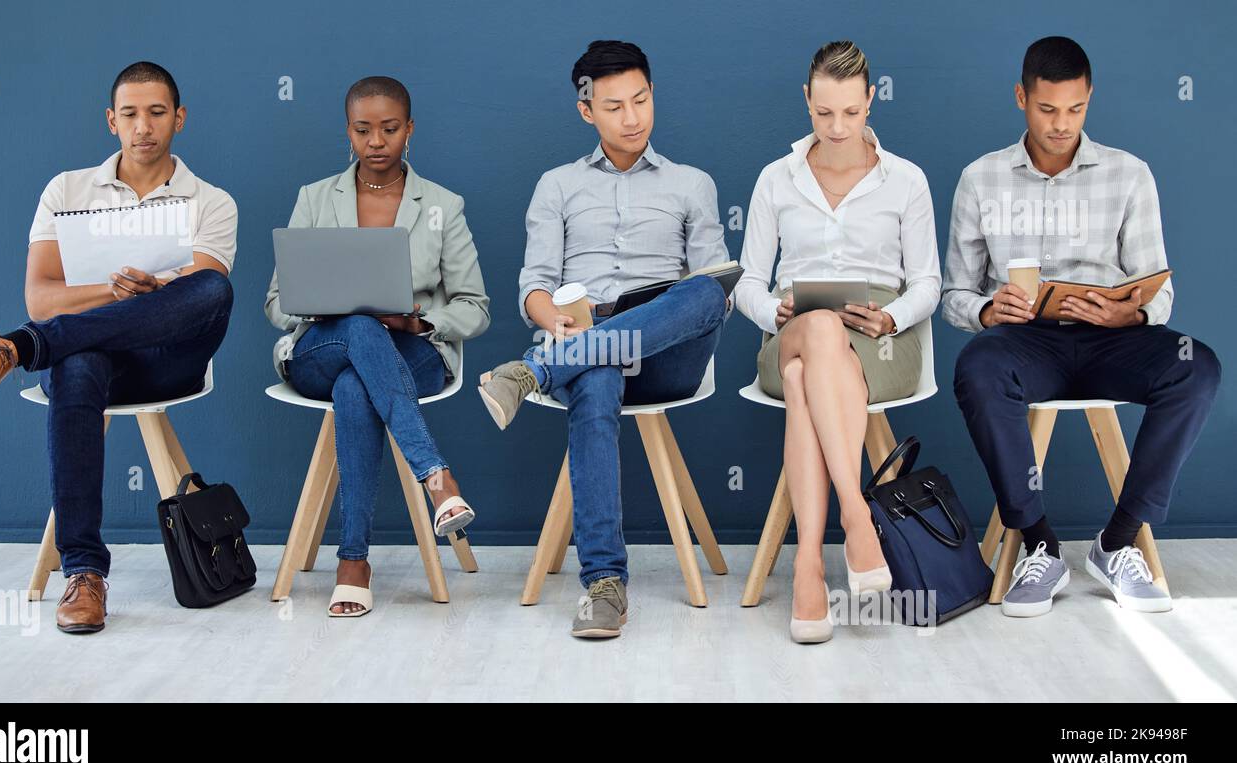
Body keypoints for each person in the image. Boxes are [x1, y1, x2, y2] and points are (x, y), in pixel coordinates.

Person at [0, 62, 238, 634]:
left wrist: (154, 293)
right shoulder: (66, 190)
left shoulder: (212, 201)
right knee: (79, 363)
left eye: (157, 113)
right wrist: (111, 290)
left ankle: (19, 351)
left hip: (168, 362)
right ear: (112, 121)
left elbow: (200, 292)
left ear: (178, 119)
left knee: (211, 288)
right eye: (130, 114)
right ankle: (83, 572)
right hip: (93, 360)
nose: (143, 127)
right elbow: (40, 296)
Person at [943, 36, 1221, 617]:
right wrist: (989, 312)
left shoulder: (1129, 174)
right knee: (977, 366)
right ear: (1022, 98)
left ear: (1089, 99)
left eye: (1075, 109)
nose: (1061, 124)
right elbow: (955, 294)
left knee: (1199, 364)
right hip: (1024, 341)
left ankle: (1117, 541)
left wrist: (1134, 312)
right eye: (1047, 109)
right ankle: (1039, 544)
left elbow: (1158, 285)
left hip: (1111, 338)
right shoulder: (980, 178)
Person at [476, 40, 731, 639]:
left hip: (670, 351)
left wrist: (556, 351)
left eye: (641, 100)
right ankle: (604, 585)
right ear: (586, 111)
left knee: (704, 292)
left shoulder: (692, 184)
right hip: (583, 335)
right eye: (614, 106)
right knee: (596, 371)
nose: (633, 117)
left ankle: (533, 372)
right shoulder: (556, 186)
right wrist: (552, 320)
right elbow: (534, 286)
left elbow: (715, 286)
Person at [734, 41, 941, 643]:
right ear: (807, 101)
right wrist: (775, 310)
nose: (839, 127)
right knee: (817, 329)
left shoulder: (906, 181)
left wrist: (894, 317)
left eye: (851, 112)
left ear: (871, 99)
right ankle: (857, 516)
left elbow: (928, 280)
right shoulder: (777, 179)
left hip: (881, 342)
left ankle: (806, 570)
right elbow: (746, 278)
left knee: (806, 379)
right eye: (825, 113)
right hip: (793, 330)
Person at [265, 76, 490, 617]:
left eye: (389, 129)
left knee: (356, 384)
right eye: (363, 130)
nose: (376, 142)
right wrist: (315, 307)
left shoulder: (441, 205)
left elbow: (476, 307)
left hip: (413, 352)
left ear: (408, 129)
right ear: (348, 131)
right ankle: (438, 479)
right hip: (323, 346)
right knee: (360, 329)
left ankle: (353, 562)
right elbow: (275, 302)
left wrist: (420, 323)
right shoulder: (315, 199)